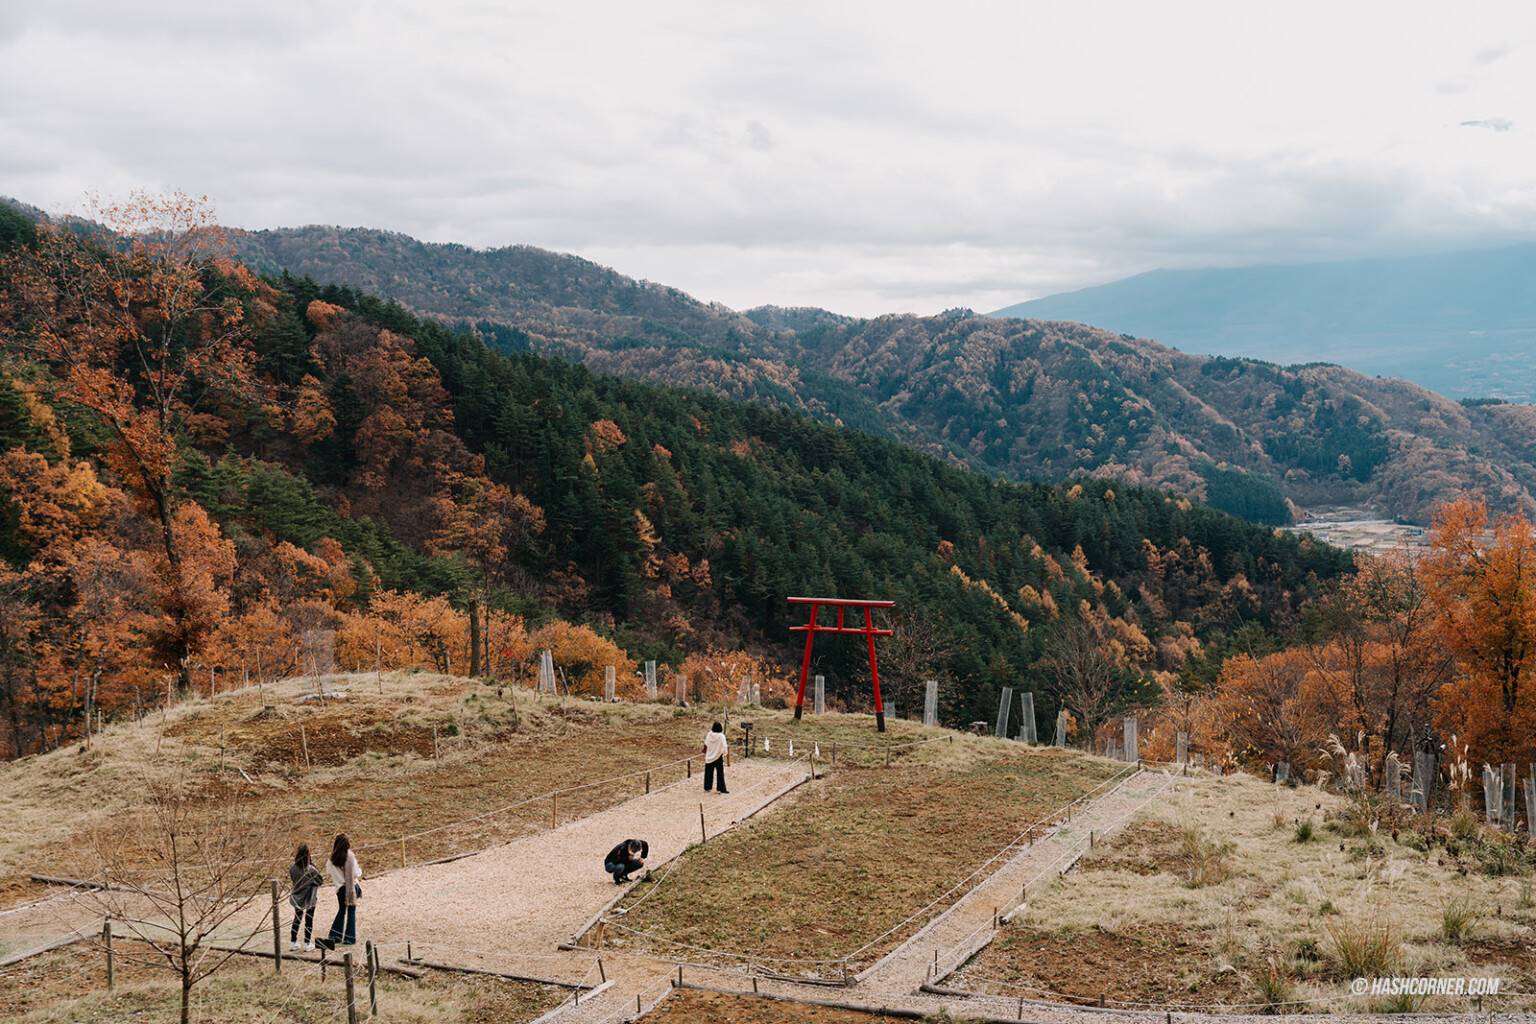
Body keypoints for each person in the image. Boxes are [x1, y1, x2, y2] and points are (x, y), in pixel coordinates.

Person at [316, 833, 362, 949]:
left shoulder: (332, 859)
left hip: (340, 888)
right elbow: (356, 873)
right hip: (352, 887)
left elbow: (328, 872)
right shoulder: (350, 856)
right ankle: (349, 938)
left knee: (341, 910)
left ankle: (335, 935)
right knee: (351, 912)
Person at [288, 844, 324, 951]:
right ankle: (307, 942)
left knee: (297, 918)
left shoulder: (292, 867)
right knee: (309, 919)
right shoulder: (311, 869)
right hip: (309, 897)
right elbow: (320, 881)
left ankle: (293, 941)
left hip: (297, 896)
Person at [703, 721, 729, 794]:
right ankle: (721, 788)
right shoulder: (721, 736)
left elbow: (706, 744)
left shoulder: (709, 734)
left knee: (708, 773)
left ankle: (707, 787)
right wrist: (724, 753)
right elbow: (724, 746)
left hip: (709, 756)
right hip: (718, 756)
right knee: (720, 773)